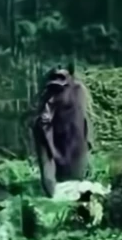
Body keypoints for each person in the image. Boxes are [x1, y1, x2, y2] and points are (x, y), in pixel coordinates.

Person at [32, 66, 92, 198]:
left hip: (69, 129)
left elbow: (86, 119)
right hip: (47, 128)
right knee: (49, 167)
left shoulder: (77, 91)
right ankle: (52, 193)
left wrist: (88, 140)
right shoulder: (48, 96)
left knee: (76, 169)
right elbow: (43, 117)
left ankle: (72, 181)